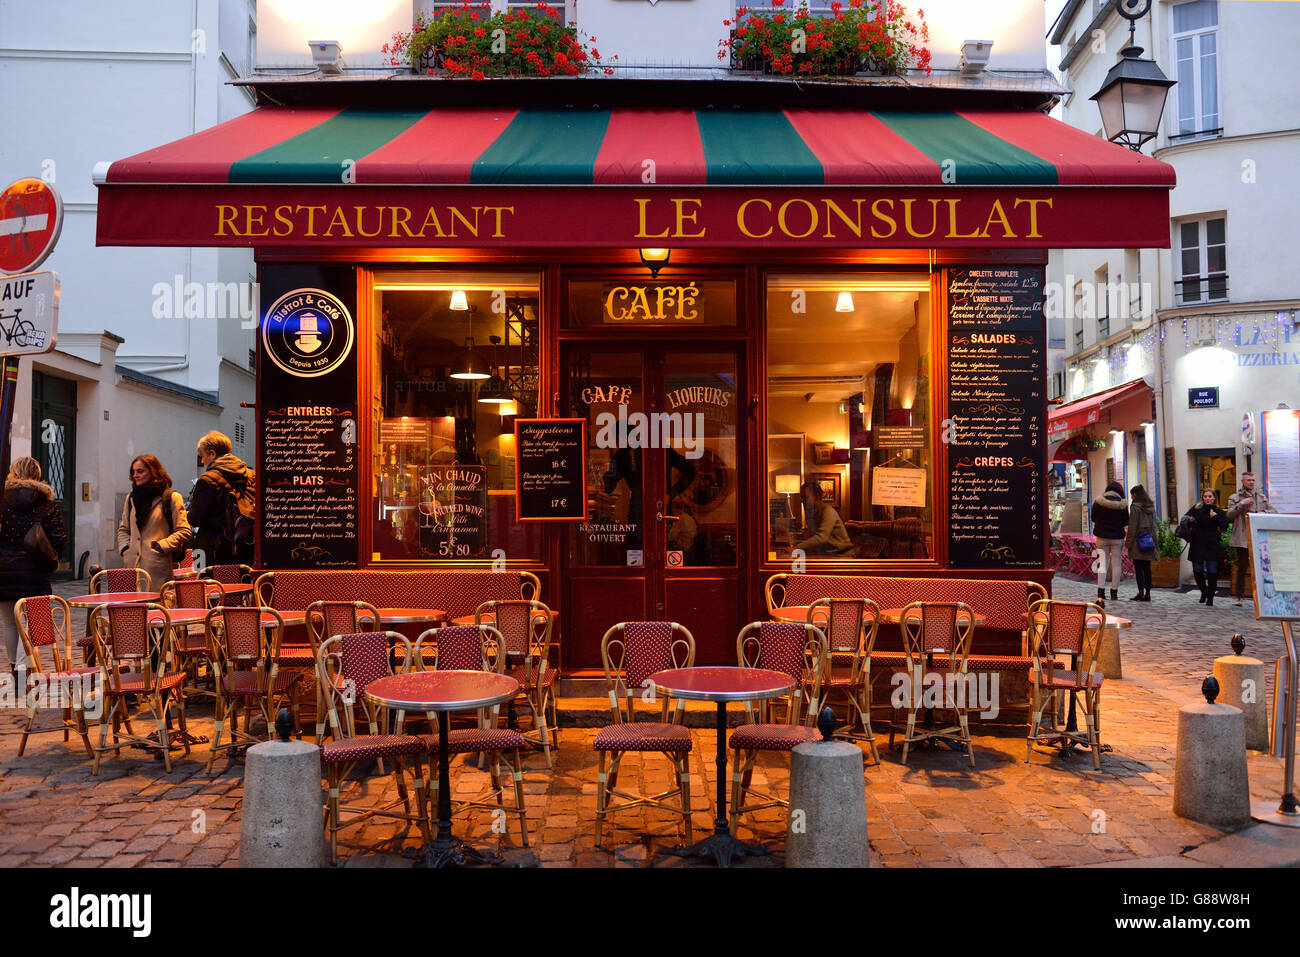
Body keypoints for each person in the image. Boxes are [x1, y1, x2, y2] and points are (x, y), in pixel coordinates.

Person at [0, 457, 67, 675]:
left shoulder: (2, 501)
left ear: (13, 473)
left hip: (4, 570)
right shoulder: (47, 504)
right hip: (34, 571)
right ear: (37, 475)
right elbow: (58, 539)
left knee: (10, 622)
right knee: (31, 622)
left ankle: (16, 668)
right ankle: (23, 666)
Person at [117, 455, 192, 590]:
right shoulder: (131, 498)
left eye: (140, 471)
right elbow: (124, 529)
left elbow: (184, 530)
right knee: (136, 609)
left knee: (158, 608)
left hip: (157, 567)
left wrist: (161, 547)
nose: (135, 475)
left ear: (153, 471)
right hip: (132, 567)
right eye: (133, 472)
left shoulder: (171, 497)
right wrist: (125, 549)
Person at [188, 431, 255, 567]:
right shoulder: (251, 474)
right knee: (242, 586)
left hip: (214, 552)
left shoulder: (208, 480)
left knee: (213, 587)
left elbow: (195, 519)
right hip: (245, 547)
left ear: (212, 454)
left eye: (203, 456)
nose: (202, 461)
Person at [1226, 471, 1277, 606]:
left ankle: (1263, 596)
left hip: (1258, 536)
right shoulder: (1235, 497)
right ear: (1242, 481)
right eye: (1248, 480)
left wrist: (1263, 513)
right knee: (1242, 567)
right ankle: (1239, 597)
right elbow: (1229, 515)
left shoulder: (1260, 497)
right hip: (1242, 537)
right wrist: (1241, 504)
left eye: (1253, 480)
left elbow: (1274, 511)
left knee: (1261, 566)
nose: (1251, 482)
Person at [1183, 488, 1229, 606]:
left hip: (1212, 543)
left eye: (1210, 496)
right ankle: (1204, 592)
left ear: (1214, 498)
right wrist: (1189, 519)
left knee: (1212, 571)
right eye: (1205, 496)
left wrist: (1215, 517)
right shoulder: (1197, 508)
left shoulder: (1218, 510)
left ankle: (1210, 597)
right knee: (1197, 570)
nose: (1207, 499)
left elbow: (1225, 526)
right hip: (1197, 542)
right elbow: (1184, 519)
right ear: (1202, 498)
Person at [1090, 480, 1128, 605]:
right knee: (1116, 564)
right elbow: (1125, 522)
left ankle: (1101, 591)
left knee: (1102, 563)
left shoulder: (1098, 502)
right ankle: (1114, 592)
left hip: (1101, 537)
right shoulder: (1122, 504)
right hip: (1117, 538)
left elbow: (1093, 518)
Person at [794, 481, 854, 557]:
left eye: (805, 497)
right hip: (827, 555)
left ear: (817, 496)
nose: (802, 500)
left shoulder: (828, 511)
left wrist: (797, 548)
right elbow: (814, 538)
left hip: (842, 556)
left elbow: (822, 537)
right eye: (801, 497)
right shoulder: (810, 513)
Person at [1125, 484, 1158, 602]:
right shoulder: (1150, 506)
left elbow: (1132, 526)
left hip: (1138, 540)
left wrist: (1128, 543)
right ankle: (1148, 594)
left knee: (1138, 568)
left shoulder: (1135, 507)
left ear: (1135, 495)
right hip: (1149, 539)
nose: (1132, 498)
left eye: (1132, 495)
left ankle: (1140, 593)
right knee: (1147, 568)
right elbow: (1154, 524)